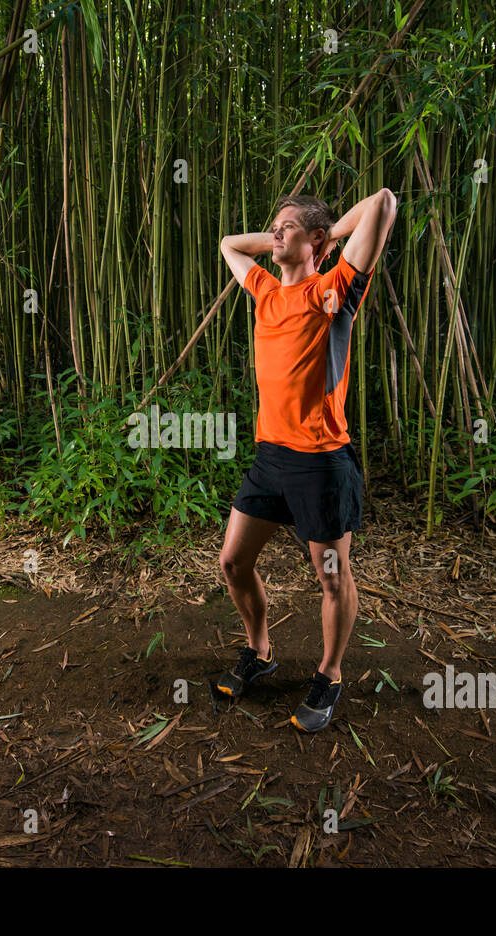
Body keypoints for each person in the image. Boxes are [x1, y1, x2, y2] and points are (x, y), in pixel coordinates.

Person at [215, 189, 396, 732]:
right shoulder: (265, 291)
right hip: (271, 458)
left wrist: (328, 231)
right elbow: (228, 243)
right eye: (273, 226)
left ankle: (330, 674)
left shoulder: (334, 290)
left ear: (317, 240)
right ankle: (260, 650)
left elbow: (384, 203)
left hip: (321, 462)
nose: (275, 235)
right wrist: (287, 230)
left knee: (333, 578)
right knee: (232, 562)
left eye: (287, 227)